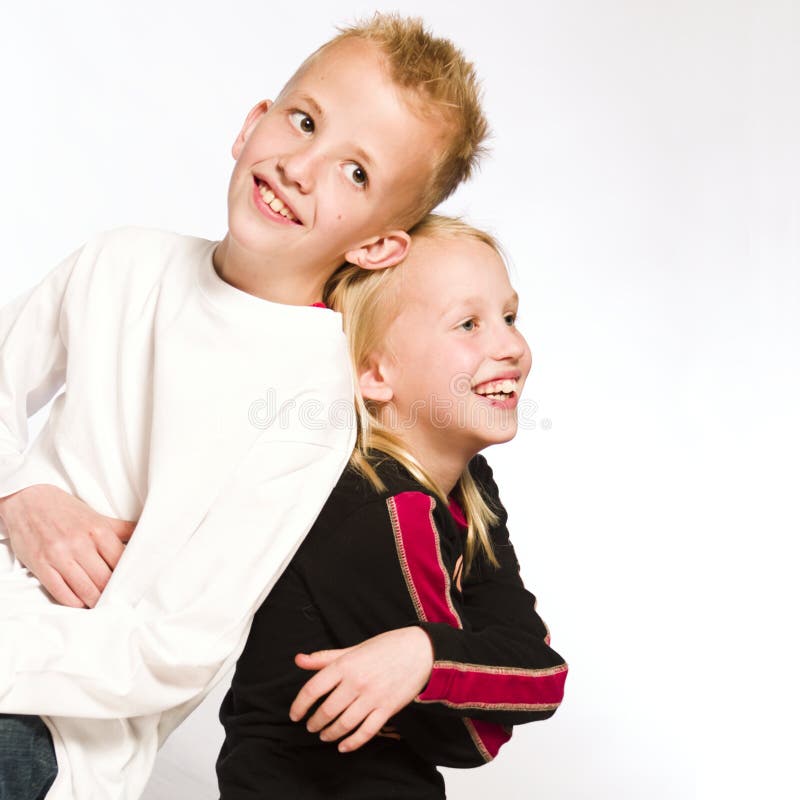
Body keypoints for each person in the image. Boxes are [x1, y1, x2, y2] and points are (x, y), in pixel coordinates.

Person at [0, 15, 489, 800]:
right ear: (251, 123)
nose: (301, 166)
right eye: (304, 121)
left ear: (377, 246)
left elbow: (173, 649)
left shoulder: (311, 405)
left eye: (355, 173)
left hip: (45, 724)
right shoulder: (120, 263)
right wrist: (17, 490)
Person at [217, 216, 568, 799]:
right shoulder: (377, 505)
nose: (510, 346)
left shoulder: (469, 486)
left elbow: (536, 670)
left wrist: (421, 656)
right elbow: (473, 733)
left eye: (509, 317)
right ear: (374, 372)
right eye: (468, 324)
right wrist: (439, 657)